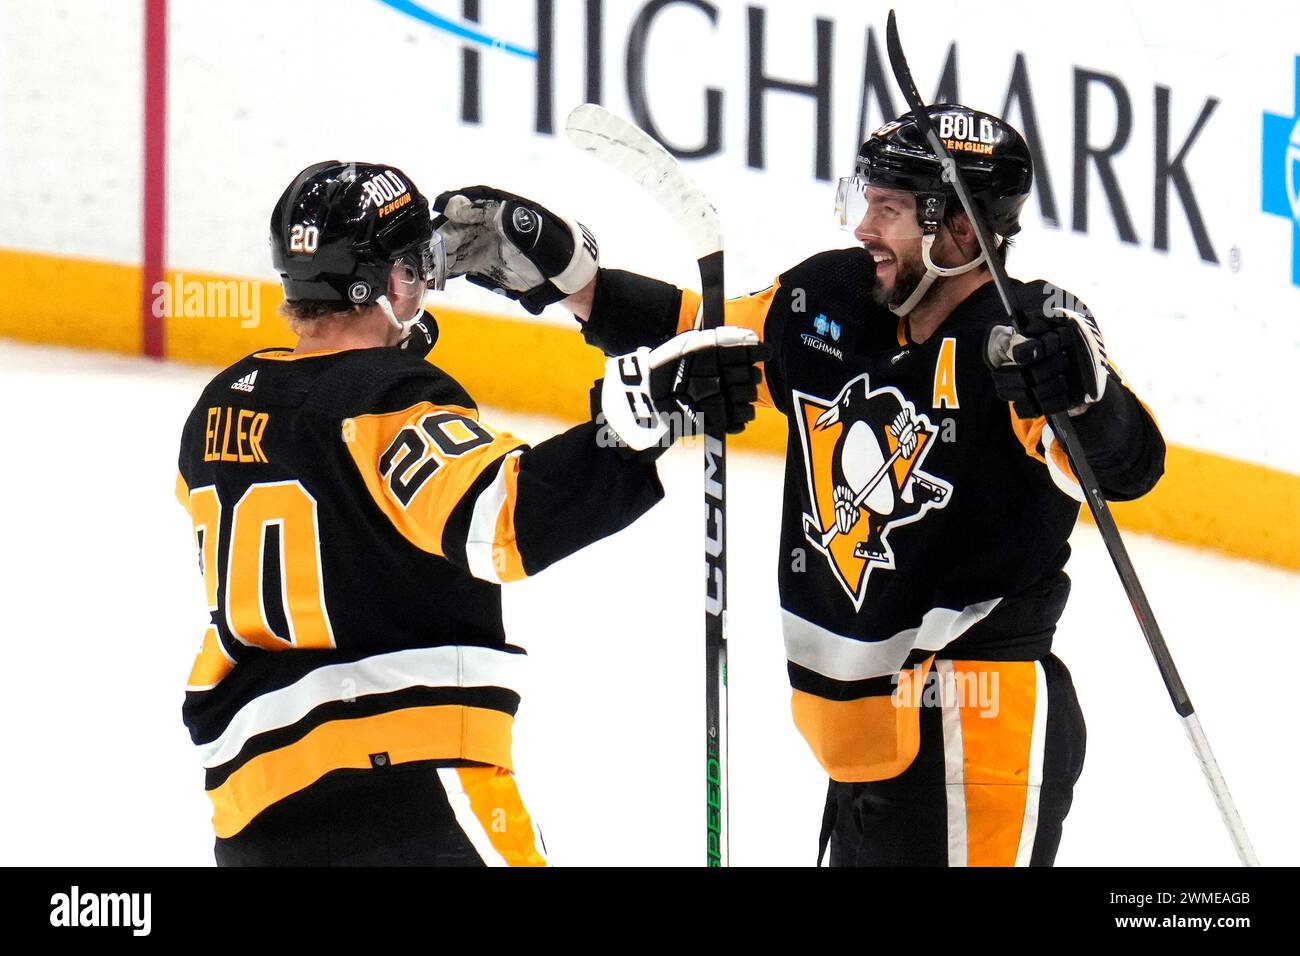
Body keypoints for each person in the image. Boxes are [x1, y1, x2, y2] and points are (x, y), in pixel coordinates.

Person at [434, 105, 1166, 867]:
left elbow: (1126, 468)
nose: (864, 228)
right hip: (872, 741)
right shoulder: (833, 298)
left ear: (958, 230)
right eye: (867, 200)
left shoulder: (1021, 338)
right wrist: (575, 282)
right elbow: (703, 336)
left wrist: (1082, 392)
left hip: (976, 730)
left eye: (889, 209)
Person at [173, 160, 766, 866]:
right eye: (418, 264)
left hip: (253, 814)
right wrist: (636, 423)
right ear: (392, 283)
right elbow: (500, 523)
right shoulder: (387, 399)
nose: (428, 278)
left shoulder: (218, 406)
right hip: (405, 788)